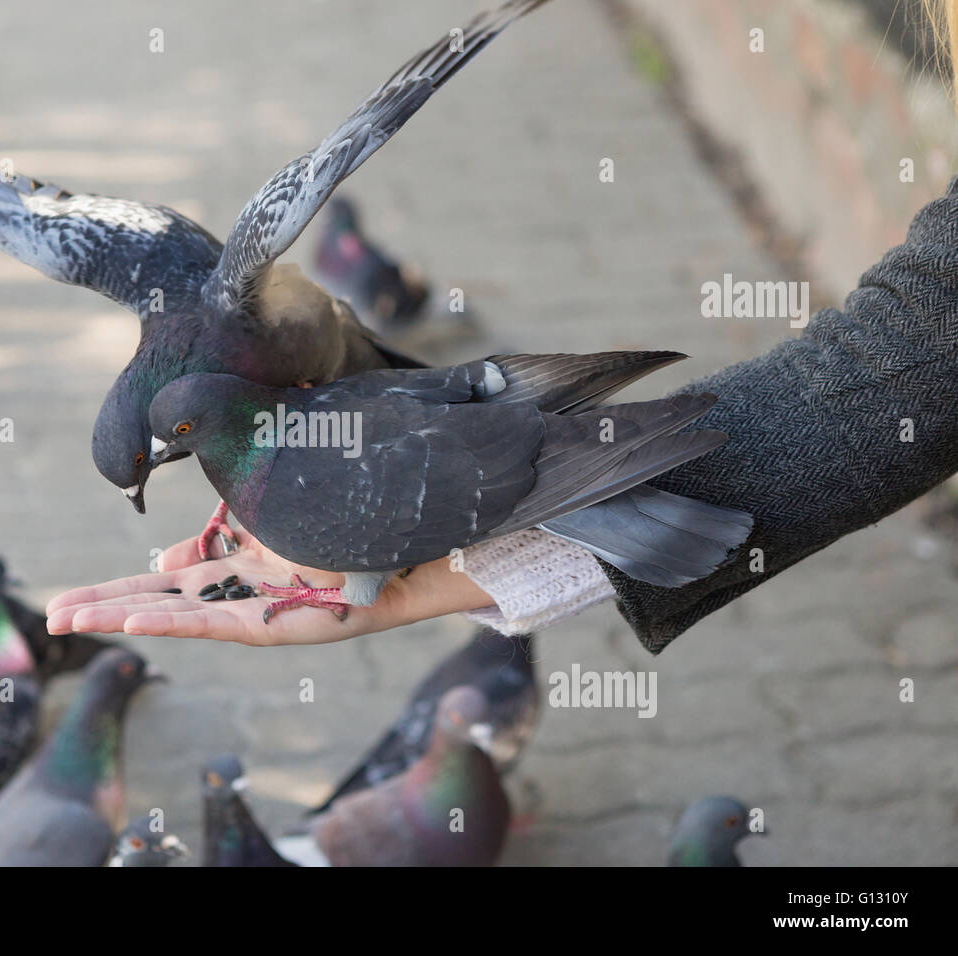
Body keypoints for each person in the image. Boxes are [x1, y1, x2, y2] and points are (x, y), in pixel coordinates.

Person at [48, 1, 958, 654]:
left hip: (487, 454)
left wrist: (318, 581)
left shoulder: (290, 492)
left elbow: (917, 354)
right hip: (473, 421)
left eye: (164, 447)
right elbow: (921, 345)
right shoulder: (286, 430)